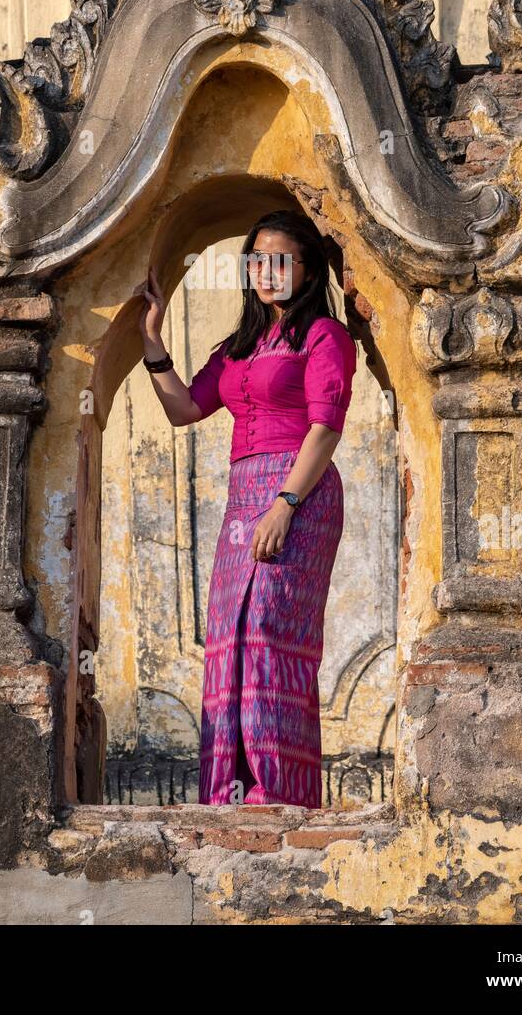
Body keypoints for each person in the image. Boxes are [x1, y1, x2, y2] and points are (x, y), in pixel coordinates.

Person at [136, 209, 358, 807]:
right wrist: (153, 342)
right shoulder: (237, 347)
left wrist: (286, 502)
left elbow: (326, 426)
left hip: (301, 493)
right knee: (229, 636)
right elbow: (184, 409)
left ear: (307, 271)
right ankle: (228, 793)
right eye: (257, 260)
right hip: (242, 500)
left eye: (281, 260)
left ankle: (276, 791)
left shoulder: (324, 337)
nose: (267, 271)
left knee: (266, 630)